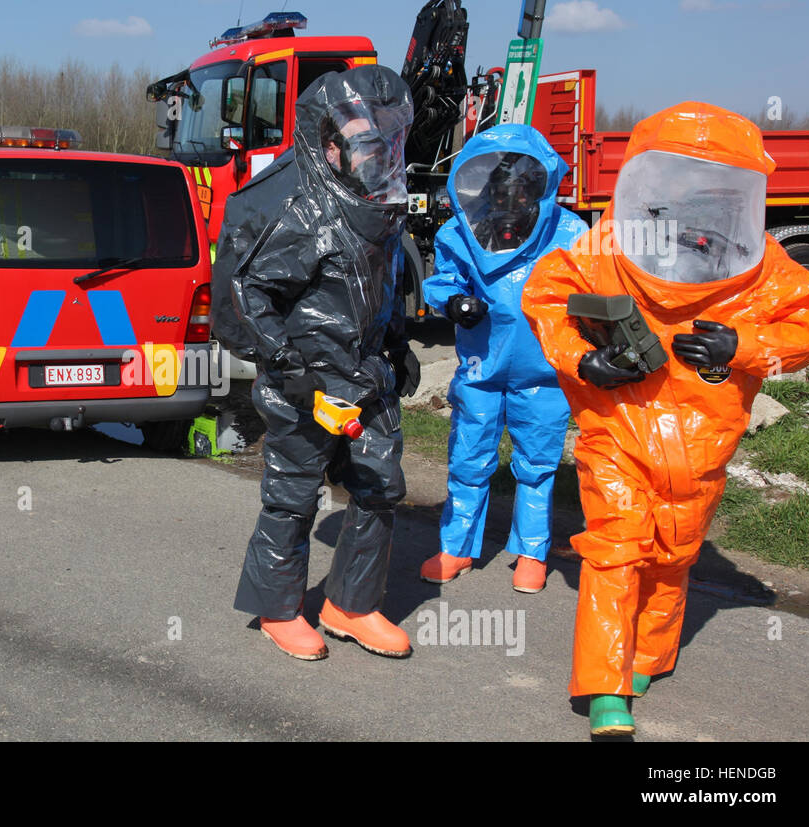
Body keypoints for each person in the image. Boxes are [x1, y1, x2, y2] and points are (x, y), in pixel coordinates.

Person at [522, 102, 809, 736]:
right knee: (614, 549)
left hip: (702, 444)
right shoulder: (608, 246)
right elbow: (547, 295)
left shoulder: (757, 262)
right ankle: (605, 687)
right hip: (617, 430)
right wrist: (586, 362)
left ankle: (649, 657)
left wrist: (739, 345)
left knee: (673, 554)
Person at [213, 65, 420, 661]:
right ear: (327, 140)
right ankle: (277, 609)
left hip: (366, 376)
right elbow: (247, 293)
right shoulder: (297, 208)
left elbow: (385, 285)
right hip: (304, 379)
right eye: (358, 137)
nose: (371, 150)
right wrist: (288, 364)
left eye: (381, 138)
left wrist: (398, 345)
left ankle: (351, 605)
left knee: (381, 488)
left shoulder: (378, 203)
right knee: (294, 494)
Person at [420, 125, 589, 593]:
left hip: (544, 371)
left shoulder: (570, 231)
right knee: (469, 458)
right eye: (500, 184)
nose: (510, 195)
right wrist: (455, 303)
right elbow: (445, 279)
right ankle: (457, 548)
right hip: (481, 366)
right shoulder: (462, 231)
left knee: (537, 463)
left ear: (539, 185)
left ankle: (532, 552)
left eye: (521, 184)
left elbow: (594, 292)